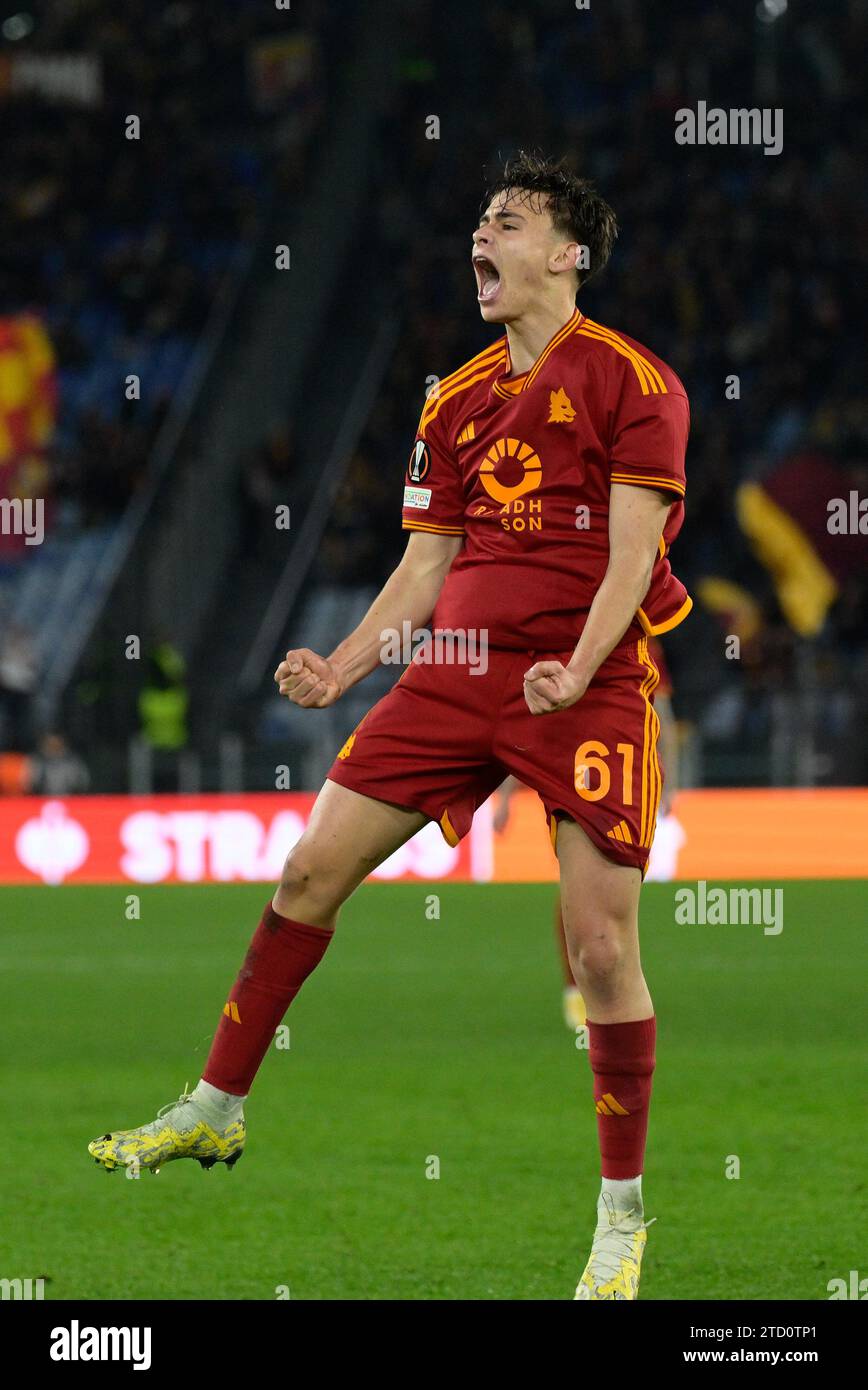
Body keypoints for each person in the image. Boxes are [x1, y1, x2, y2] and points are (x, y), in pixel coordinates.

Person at [89, 153, 691, 1302]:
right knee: (309, 869)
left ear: (567, 253)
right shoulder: (452, 398)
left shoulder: (636, 384)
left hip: (590, 685)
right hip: (458, 680)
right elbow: (426, 563)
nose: (483, 236)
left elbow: (631, 555)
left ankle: (620, 1221)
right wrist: (343, 665)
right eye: (477, 219)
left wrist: (579, 662)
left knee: (603, 949)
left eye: (506, 221)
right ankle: (215, 1108)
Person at [493, 638, 679, 1032]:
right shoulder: (555, 635)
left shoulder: (641, 642)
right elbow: (527, 722)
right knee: (582, 892)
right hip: (576, 776)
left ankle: (607, 992)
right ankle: (579, 991)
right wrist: (507, 799)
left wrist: (670, 785)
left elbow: (662, 715)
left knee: (613, 897)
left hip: (627, 779)